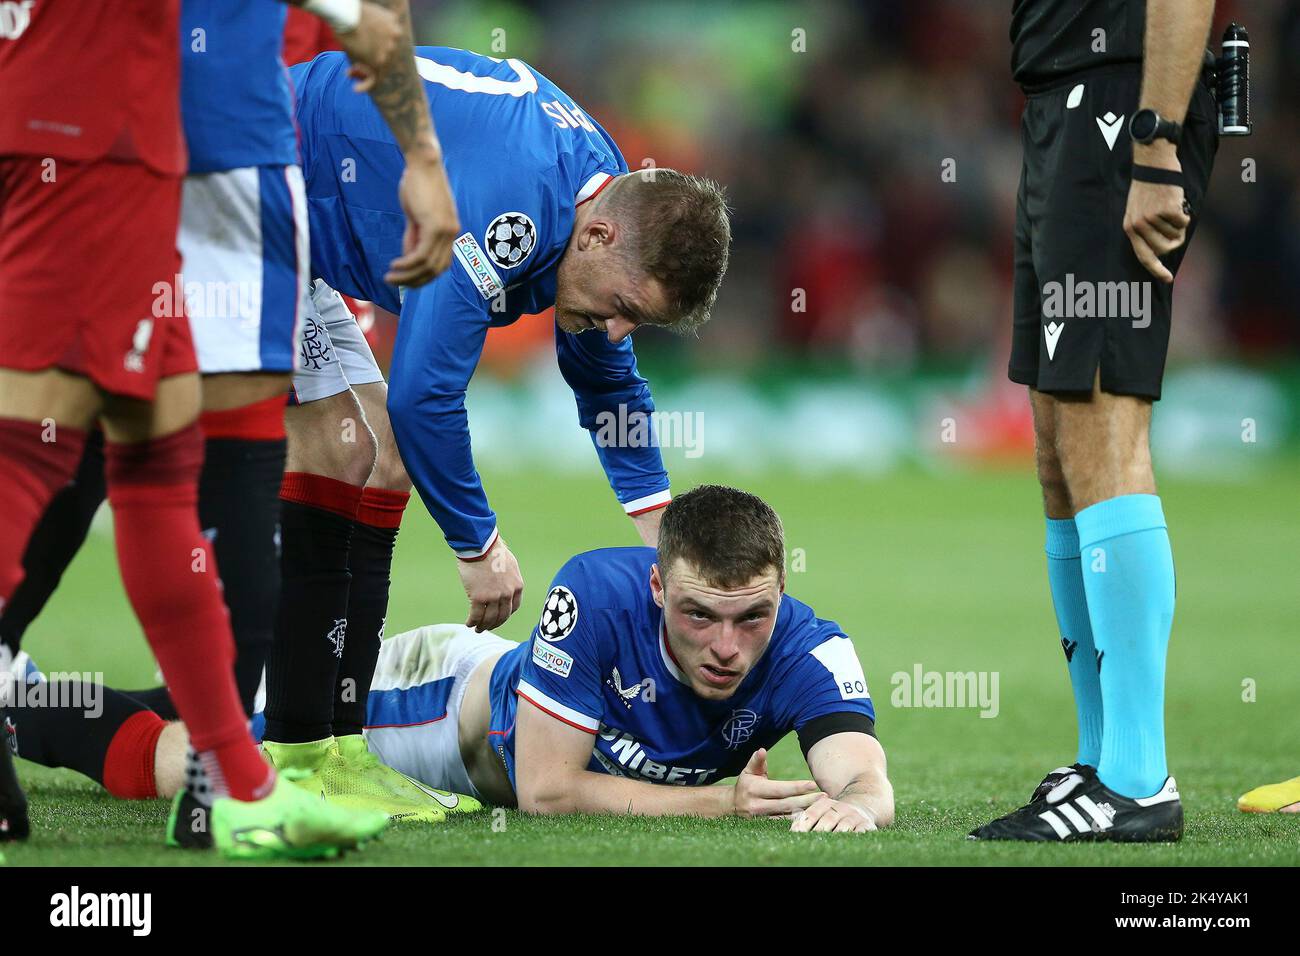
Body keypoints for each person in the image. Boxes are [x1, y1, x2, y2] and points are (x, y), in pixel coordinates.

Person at [254, 46, 731, 800]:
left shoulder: (597, 204)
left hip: (308, 202)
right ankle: (294, 759)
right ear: (602, 237)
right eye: (625, 310)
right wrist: (477, 544)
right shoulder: (510, 202)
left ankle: (340, 755)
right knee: (343, 444)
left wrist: (666, 542)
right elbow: (423, 395)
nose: (615, 331)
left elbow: (607, 382)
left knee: (381, 457)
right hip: (257, 180)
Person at [0, 0, 392, 858]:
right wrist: (353, 17)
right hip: (110, 136)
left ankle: (234, 776)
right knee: (39, 448)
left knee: (152, 462)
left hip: (102, 126)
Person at [7, 486, 893, 832]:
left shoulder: (808, 645)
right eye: (702, 616)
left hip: (475, 752)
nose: (729, 647)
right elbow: (549, 791)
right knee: (192, 758)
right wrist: (718, 804)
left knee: (194, 709)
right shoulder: (597, 590)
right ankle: (18, 708)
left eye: (753, 618)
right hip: (424, 705)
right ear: (660, 591)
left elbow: (865, 780)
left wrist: (856, 806)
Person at [970, 0, 1219, 842]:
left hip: (1122, 115)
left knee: (1100, 419)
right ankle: (1100, 757)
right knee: (1056, 443)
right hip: (1062, 113)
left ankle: (1137, 782)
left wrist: (1155, 142)